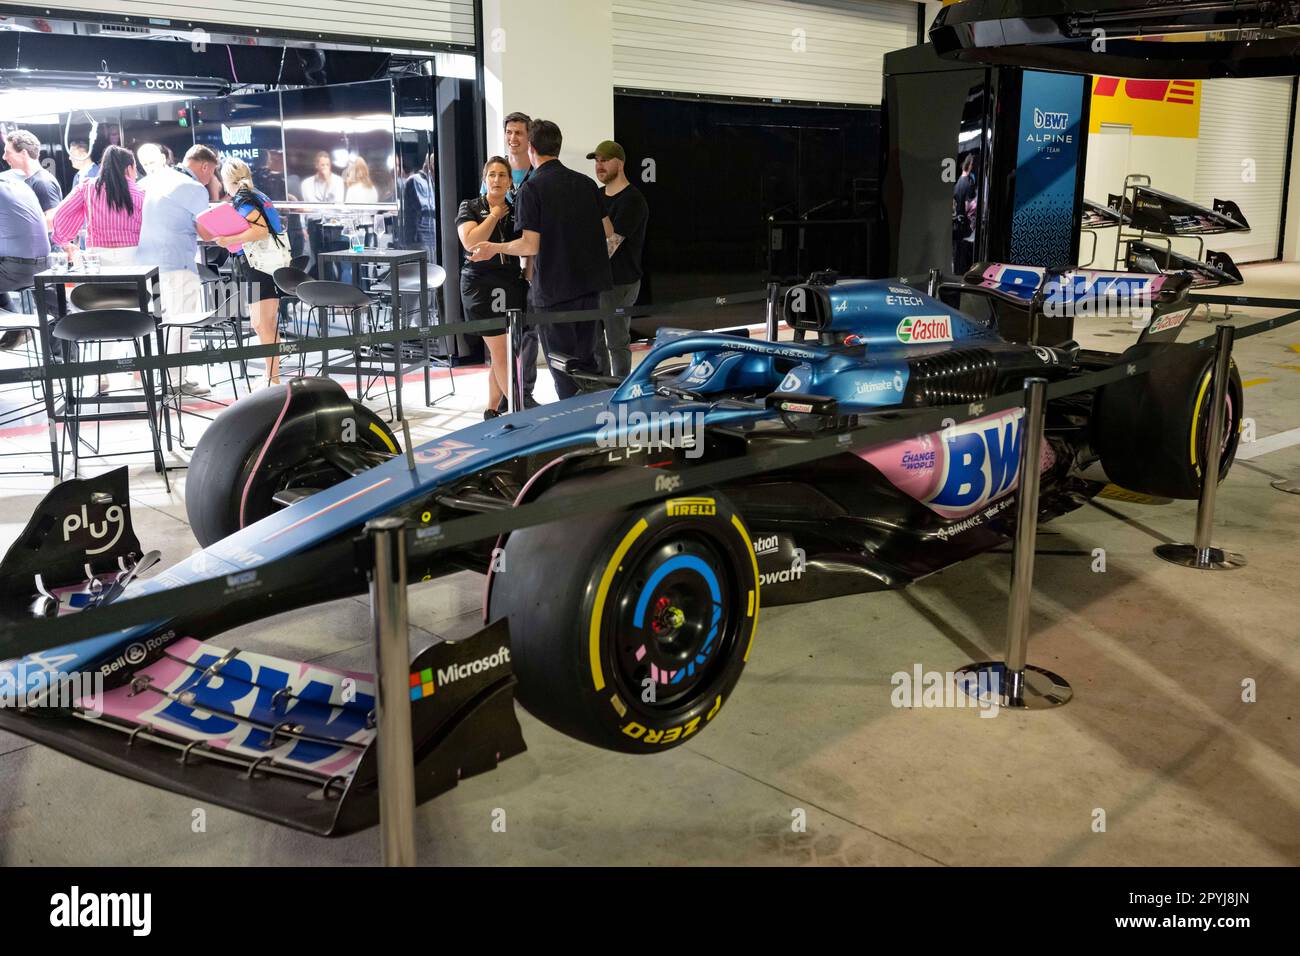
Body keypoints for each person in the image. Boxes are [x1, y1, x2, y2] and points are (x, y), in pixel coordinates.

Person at [469, 119, 613, 401]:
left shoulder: (532, 189)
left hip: (554, 291)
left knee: (563, 368)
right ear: (558, 146)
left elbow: (529, 245)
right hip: (590, 287)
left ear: (531, 148)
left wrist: (492, 248)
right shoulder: (586, 183)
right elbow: (607, 231)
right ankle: (593, 420)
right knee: (587, 363)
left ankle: (571, 428)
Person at [135, 144, 221, 398]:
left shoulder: (158, 178)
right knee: (181, 322)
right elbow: (206, 231)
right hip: (176, 264)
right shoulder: (194, 188)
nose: (211, 178)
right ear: (205, 166)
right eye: (213, 172)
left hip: (147, 264)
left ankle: (149, 374)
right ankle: (175, 380)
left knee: (159, 323)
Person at [457, 157, 527, 419]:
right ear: (484, 180)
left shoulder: (517, 207)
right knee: (500, 351)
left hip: (509, 281)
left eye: (502, 175)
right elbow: (470, 241)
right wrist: (495, 215)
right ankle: (518, 409)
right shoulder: (471, 206)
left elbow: (527, 243)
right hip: (479, 284)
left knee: (502, 352)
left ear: (510, 181)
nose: (496, 180)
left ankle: (491, 409)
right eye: (492, 175)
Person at [214, 159, 286, 388]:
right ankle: (271, 374)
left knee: (262, 324)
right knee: (264, 323)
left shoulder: (244, 199)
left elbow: (260, 231)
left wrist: (228, 240)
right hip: (265, 266)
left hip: (261, 266)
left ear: (226, 180)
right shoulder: (257, 196)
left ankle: (272, 378)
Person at [589, 140, 648, 379]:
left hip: (620, 282)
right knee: (594, 341)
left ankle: (620, 385)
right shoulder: (598, 195)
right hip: (596, 281)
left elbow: (610, 244)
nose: (599, 166)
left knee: (616, 340)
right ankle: (600, 386)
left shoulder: (632, 200)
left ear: (619, 163)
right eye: (597, 161)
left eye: (604, 160)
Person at [500, 111, 539, 406]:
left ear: (530, 138)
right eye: (509, 133)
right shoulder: (497, 172)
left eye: (519, 134)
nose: (513, 139)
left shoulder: (538, 176)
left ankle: (525, 392)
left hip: (533, 265)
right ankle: (504, 392)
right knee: (501, 334)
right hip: (501, 265)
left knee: (530, 331)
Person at [0, 173, 51, 348]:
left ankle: (17, 325)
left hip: (16, 269)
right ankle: (17, 327)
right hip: (44, 267)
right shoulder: (19, 185)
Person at [302, 151, 346, 279]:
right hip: (315, 223)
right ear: (316, 165)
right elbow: (310, 203)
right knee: (319, 257)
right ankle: (324, 286)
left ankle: (338, 285)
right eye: (322, 165)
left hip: (333, 224)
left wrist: (329, 182)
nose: (325, 167)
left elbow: (338, 202)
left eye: (327, 164)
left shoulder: (337, 181)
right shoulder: (307, 183)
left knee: (336, 257)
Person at [3, 130, 62, 217]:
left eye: (8, 153)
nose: (4, 157)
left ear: (23, 153)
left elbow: (52, 220)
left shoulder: (43, 183)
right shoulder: (33, 180)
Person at [952, 153, 977, 275]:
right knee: (963, 256)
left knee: (957, 255)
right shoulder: (968, 183)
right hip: (965, 226)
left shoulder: (958, 183)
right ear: (970, 165)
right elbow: (968, 205)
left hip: (958, 223)